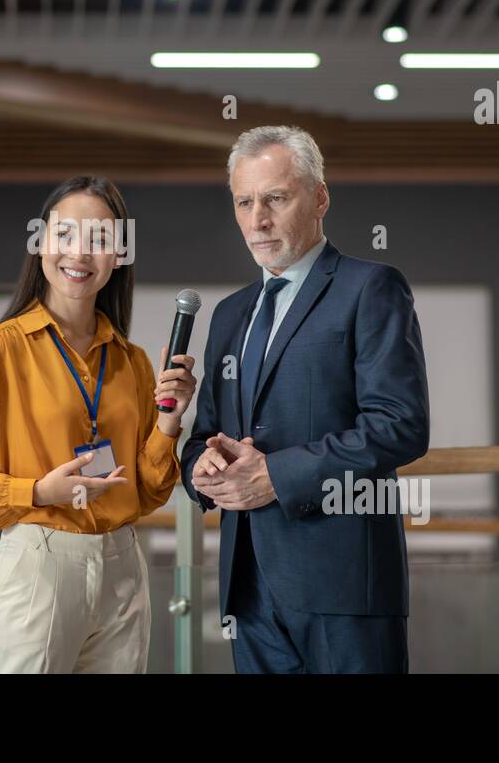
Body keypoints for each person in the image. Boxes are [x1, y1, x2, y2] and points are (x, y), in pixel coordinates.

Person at [180, 125, 429, 673]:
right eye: (244, 202)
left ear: (319, 198)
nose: (258, 220)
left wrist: (277, 474)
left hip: (345, 586)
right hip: (248, 588)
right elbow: (206, 435)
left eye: (275, 198)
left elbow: (401, 424)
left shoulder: (371, 287)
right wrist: (200, 467)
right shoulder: (229, 314)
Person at [0, 175, 197, 672]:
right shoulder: (0, 349)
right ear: (40, 243)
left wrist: (169, 422)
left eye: (99, 239)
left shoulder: (133, 362)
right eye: (65, 234)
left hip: (122, 566)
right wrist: (36, 492)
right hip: (40, 563)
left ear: (118, 256)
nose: (79, 253)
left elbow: (146, 493)